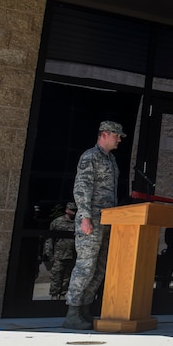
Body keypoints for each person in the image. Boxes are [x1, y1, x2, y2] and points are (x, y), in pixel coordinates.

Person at [63, 120, 124, 330]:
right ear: (105, 134)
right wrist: (86, 217)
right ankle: (72, 312)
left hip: (107, 220)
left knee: (99, 266)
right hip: (91, 220)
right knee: (85, 265)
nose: (119, 139)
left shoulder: (111, 159)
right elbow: (81, 188)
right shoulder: (90, 156)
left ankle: (85, 309)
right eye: (116, 135)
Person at [44, 201, 77, 300]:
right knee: (56, 276)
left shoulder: (77, 223)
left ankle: (63, 294)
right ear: (67, 210)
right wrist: (49, 254)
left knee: (67, 277)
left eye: (75, 210)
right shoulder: (57, 222)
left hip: (71, 255)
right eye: (72, 210)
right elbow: (50, 239)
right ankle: (54, 295)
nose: (74, 212)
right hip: (58, 255)